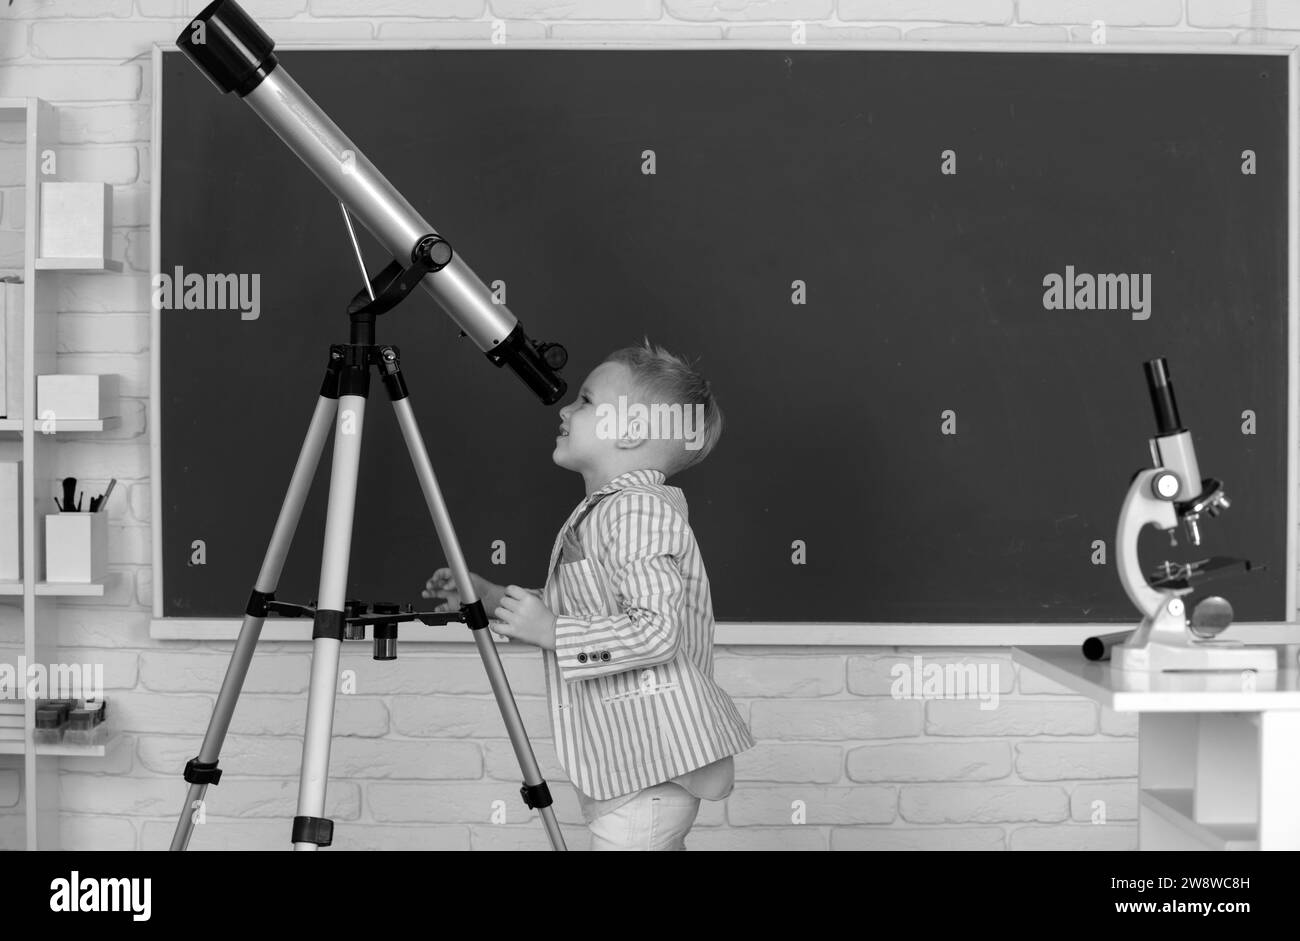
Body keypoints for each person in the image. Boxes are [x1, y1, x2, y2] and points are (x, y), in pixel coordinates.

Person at [425, 338, 754, 850]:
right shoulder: (610, 511)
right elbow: (594, 614)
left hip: (650, 772)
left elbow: (653, 634)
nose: (565, 408)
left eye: (586, 400)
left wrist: (551, 631)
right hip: (635, 769)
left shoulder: (638, 511)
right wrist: (496, 600)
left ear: (632, 431)